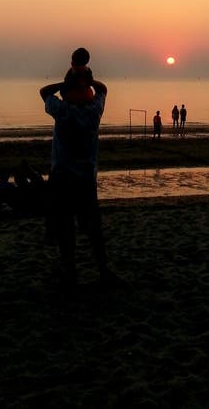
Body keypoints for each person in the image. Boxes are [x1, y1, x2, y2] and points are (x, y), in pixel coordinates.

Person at [40, 69, 116, 288]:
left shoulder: (61, 110)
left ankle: (70, 271)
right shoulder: (94, 110)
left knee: (65, 228)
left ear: (66, 92)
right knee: (93, 228)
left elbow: (44, 92)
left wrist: (64, 83)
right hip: (85, 178)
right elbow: (103, 89)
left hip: (62, 177)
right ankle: (102, 269)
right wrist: (88, 80)